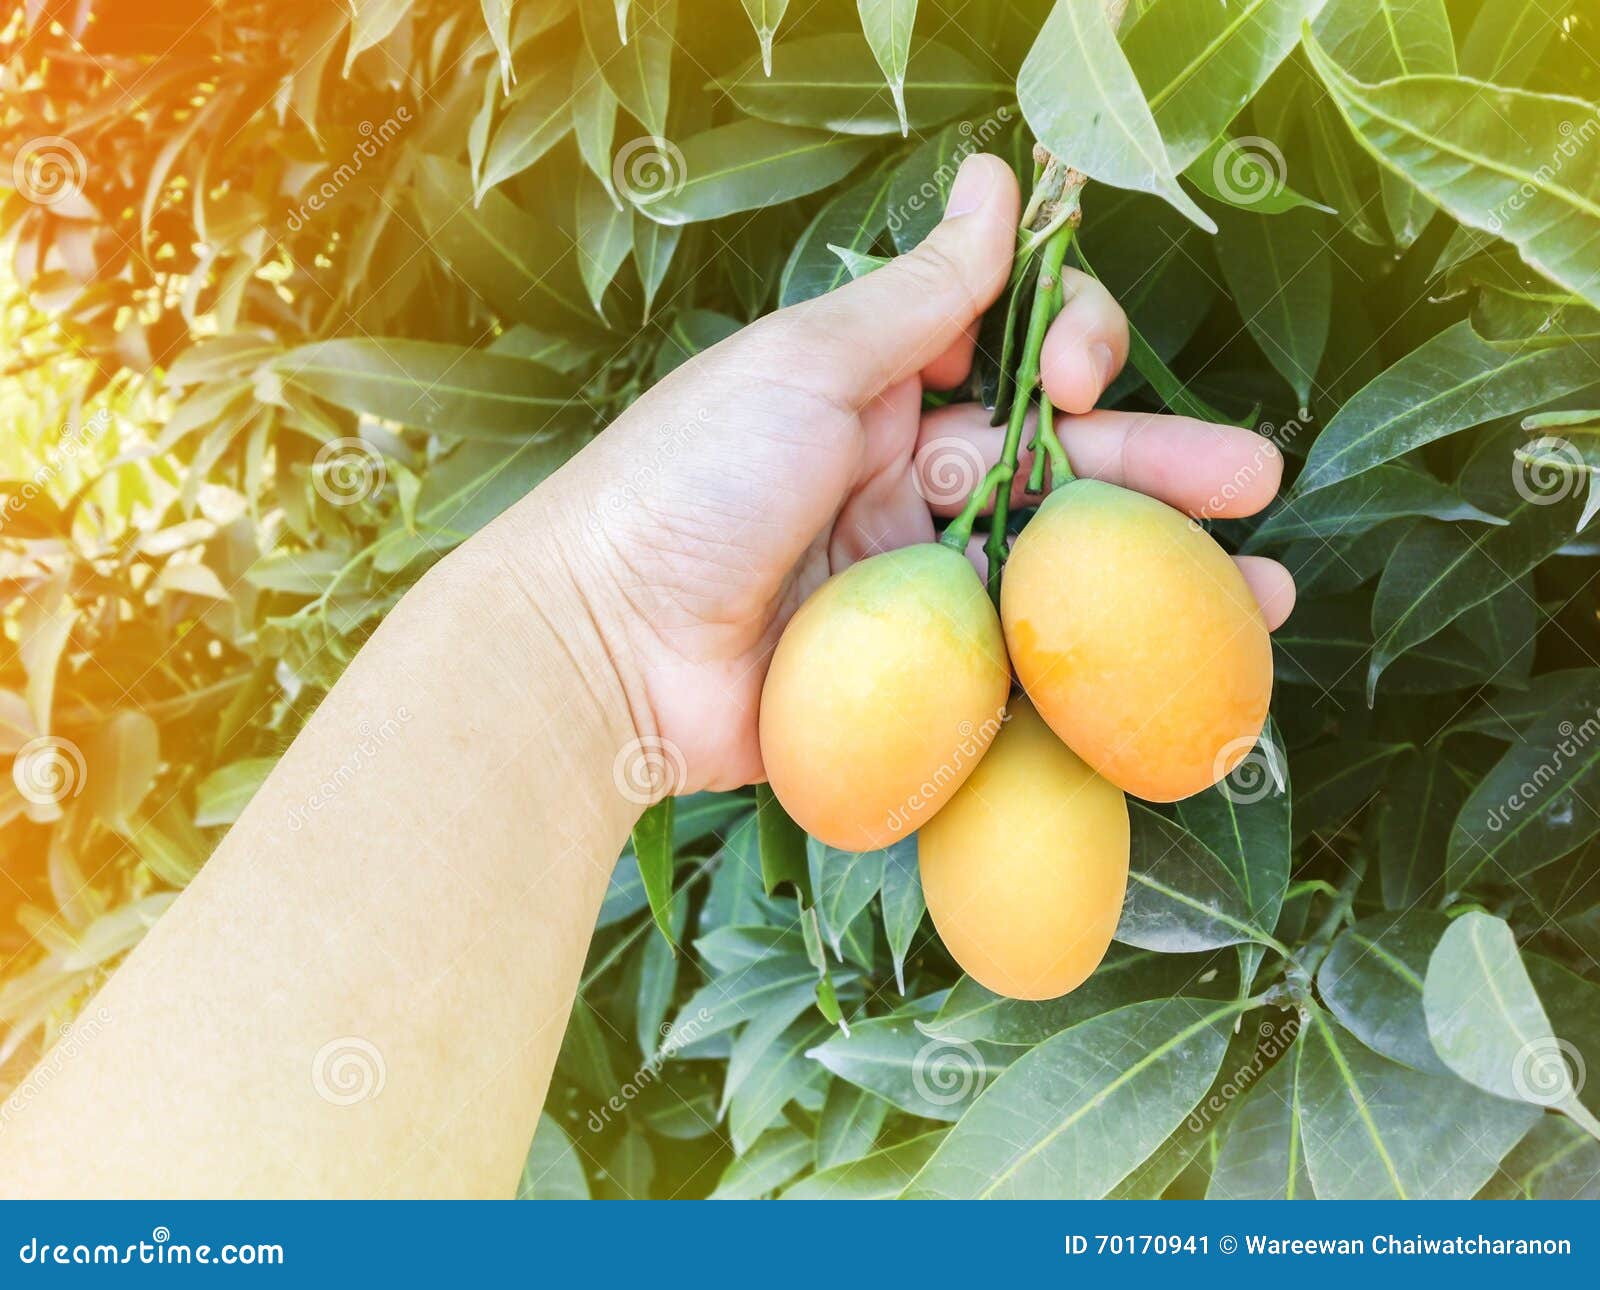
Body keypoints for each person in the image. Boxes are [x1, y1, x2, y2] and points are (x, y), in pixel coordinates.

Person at [0, 155, 1291, 1198]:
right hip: (983, 590)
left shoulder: (1014, 580)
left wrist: (589, 648)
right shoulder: (999, 577)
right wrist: (587, 639)